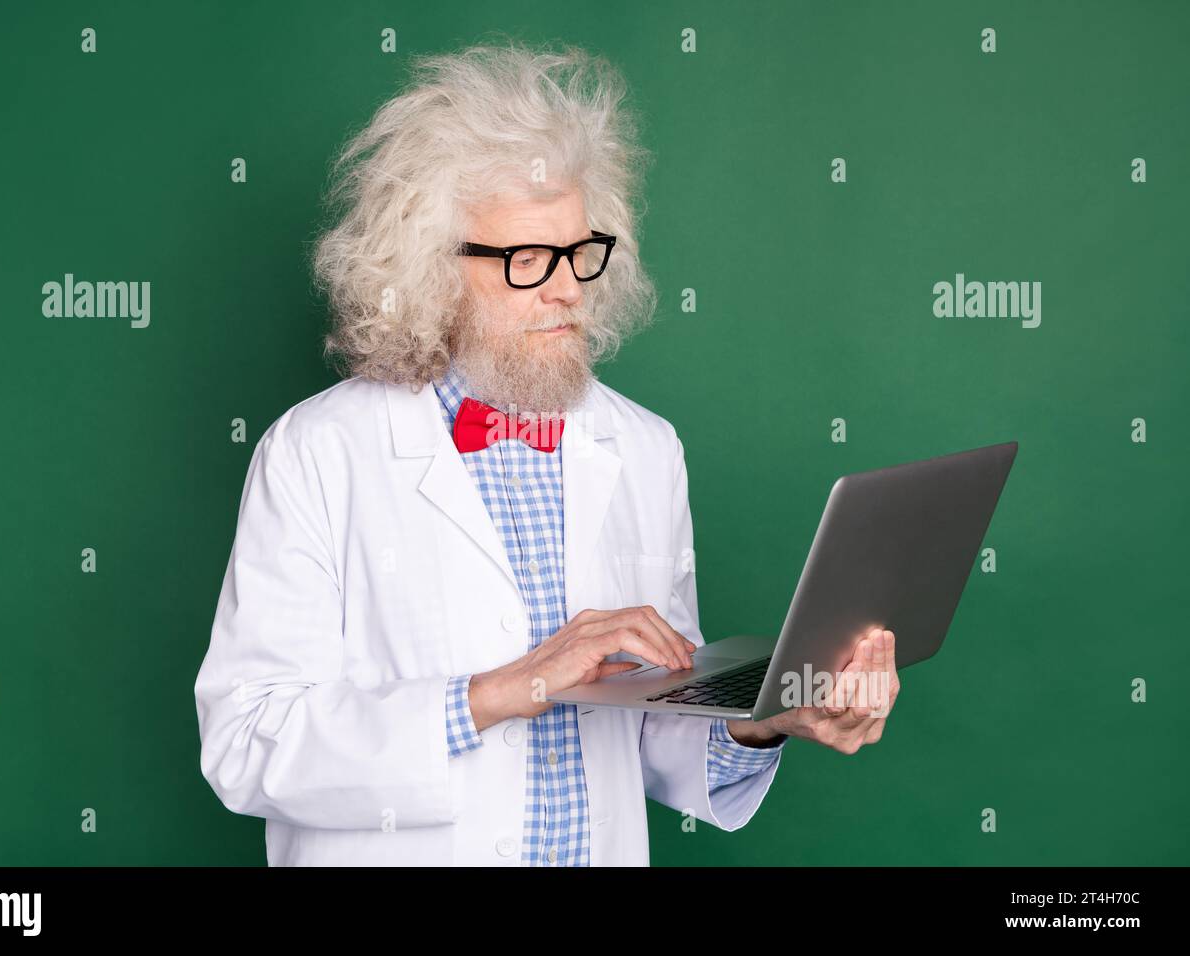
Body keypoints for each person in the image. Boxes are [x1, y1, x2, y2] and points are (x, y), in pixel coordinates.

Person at [194, 41, 899, 866]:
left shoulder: (643, 449)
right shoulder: (317, 453)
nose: (567, 286)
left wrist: (766, 717)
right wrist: (511, 688)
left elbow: (644, 726)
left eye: (579, 250)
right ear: (431, 271)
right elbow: (246, 743)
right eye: (526, 259)